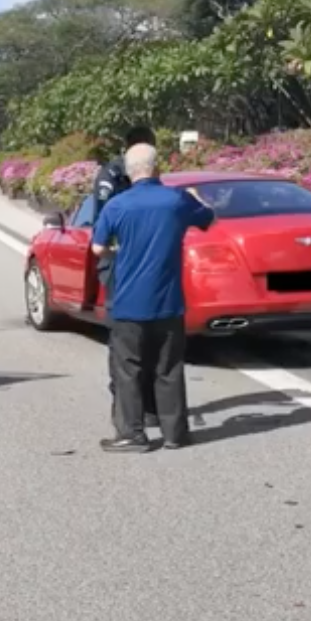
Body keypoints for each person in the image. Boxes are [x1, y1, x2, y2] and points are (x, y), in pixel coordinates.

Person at [90, 143, 215, 453]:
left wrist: (119, 251)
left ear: (129, 172)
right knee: (169, 367)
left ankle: (132, 434)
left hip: (129, 302)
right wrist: (199, 199)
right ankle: (175, 434)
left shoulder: (117, 205)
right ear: (157, 168)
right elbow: (207, 219)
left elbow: (96, 248)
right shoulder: (176, 199)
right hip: (168, 300)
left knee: (128, 369)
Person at [94, 126, 156, 430]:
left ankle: (150, 406)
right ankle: (124, 406)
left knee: (151, 340)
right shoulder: (112, 176)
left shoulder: (151, 177)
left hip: (147, 267)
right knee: (123, 341)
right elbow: (104, 223)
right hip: (120, 265)